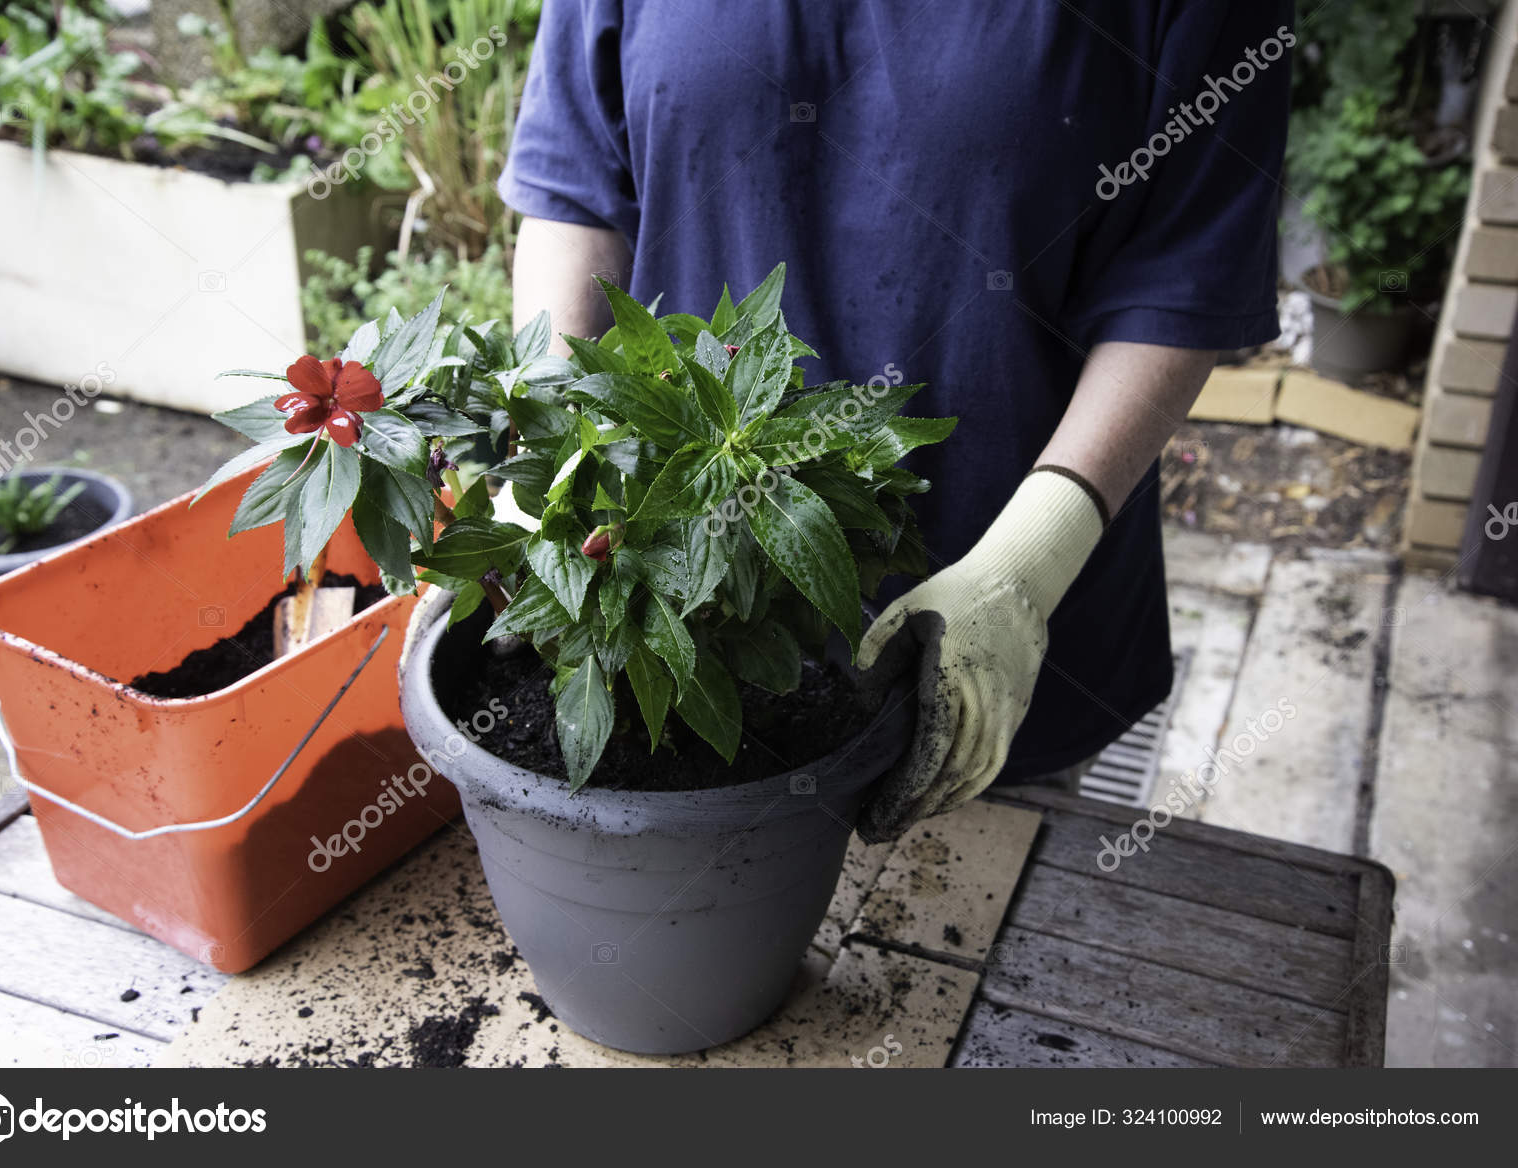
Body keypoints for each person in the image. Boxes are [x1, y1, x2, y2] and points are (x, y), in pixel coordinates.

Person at [498, 1, 1294, 842]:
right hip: (681, 609)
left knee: (967, 937)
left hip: (984, 632)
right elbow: (576, 191)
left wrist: (1024, 569)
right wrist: (546, 459)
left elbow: (1180, 281)